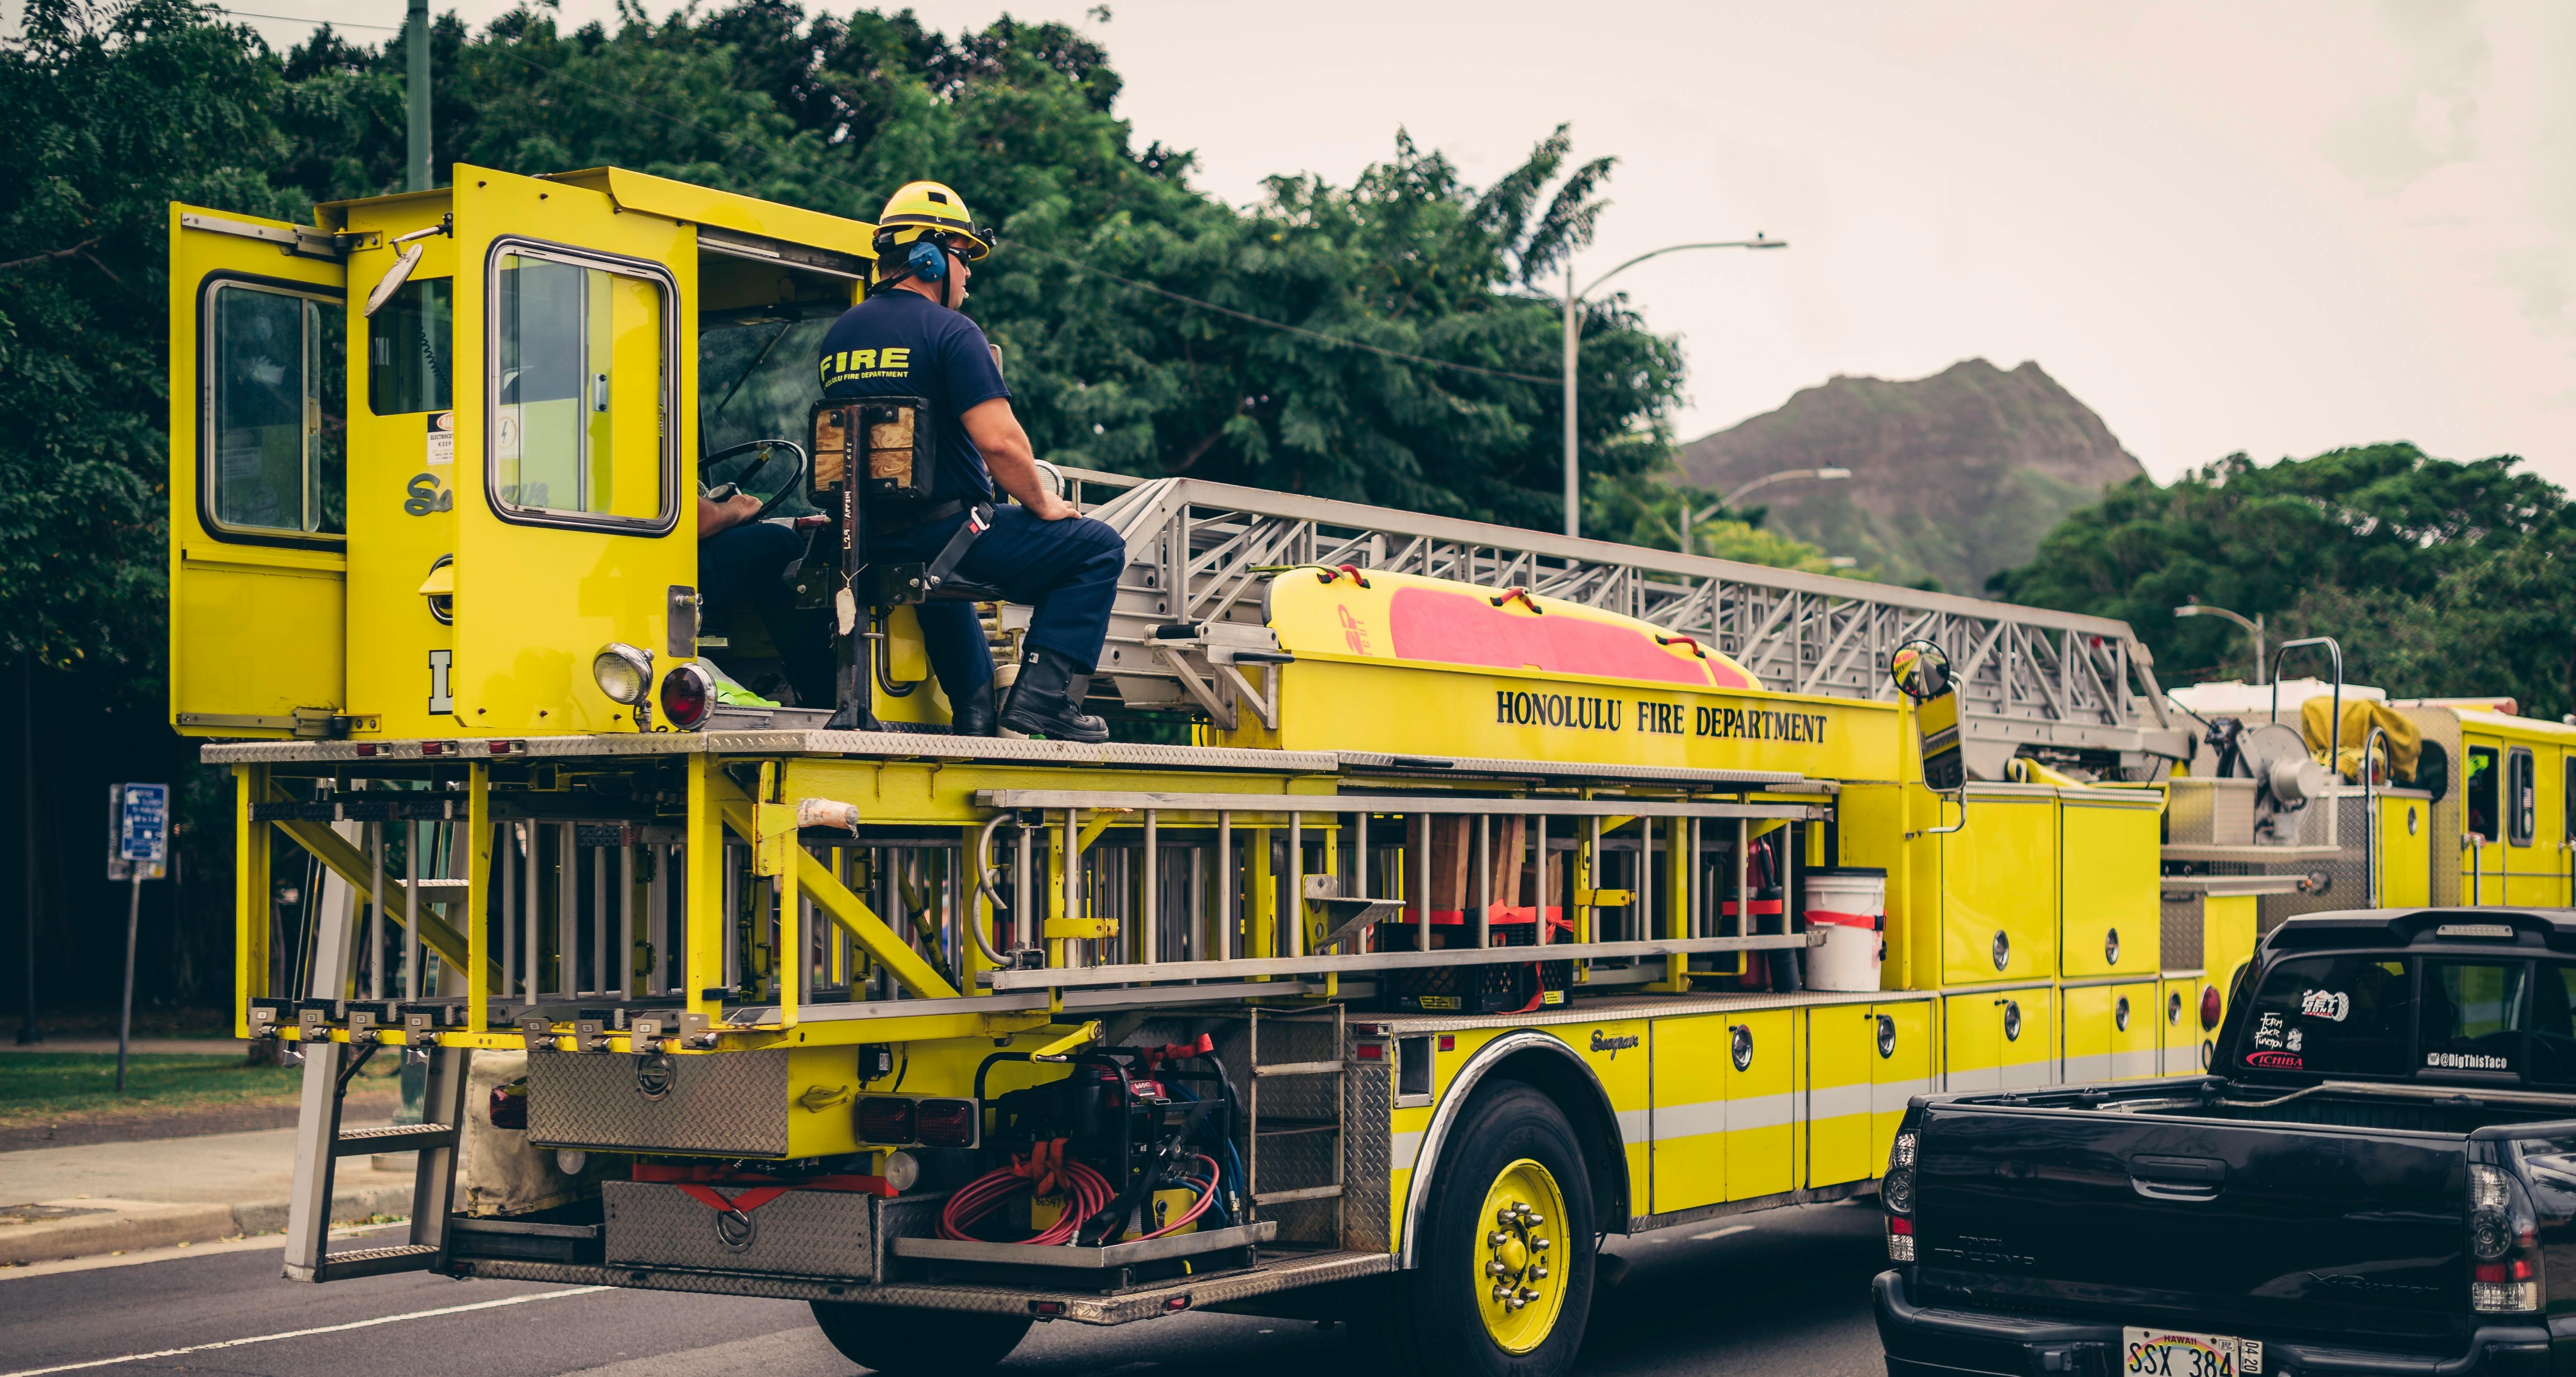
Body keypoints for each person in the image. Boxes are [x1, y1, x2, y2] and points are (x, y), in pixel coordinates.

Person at [814, 180, 1125, 742]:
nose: (968, 275)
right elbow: (1000, 443)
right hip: (939, 534)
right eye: (964, 259)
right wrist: (1042, 502)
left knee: (944, 578)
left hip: (864, 539)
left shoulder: (841, 335)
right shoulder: (951, 331)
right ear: (930, 257)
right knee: (1097, 547)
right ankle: (1044, 701)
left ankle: (978, 716)